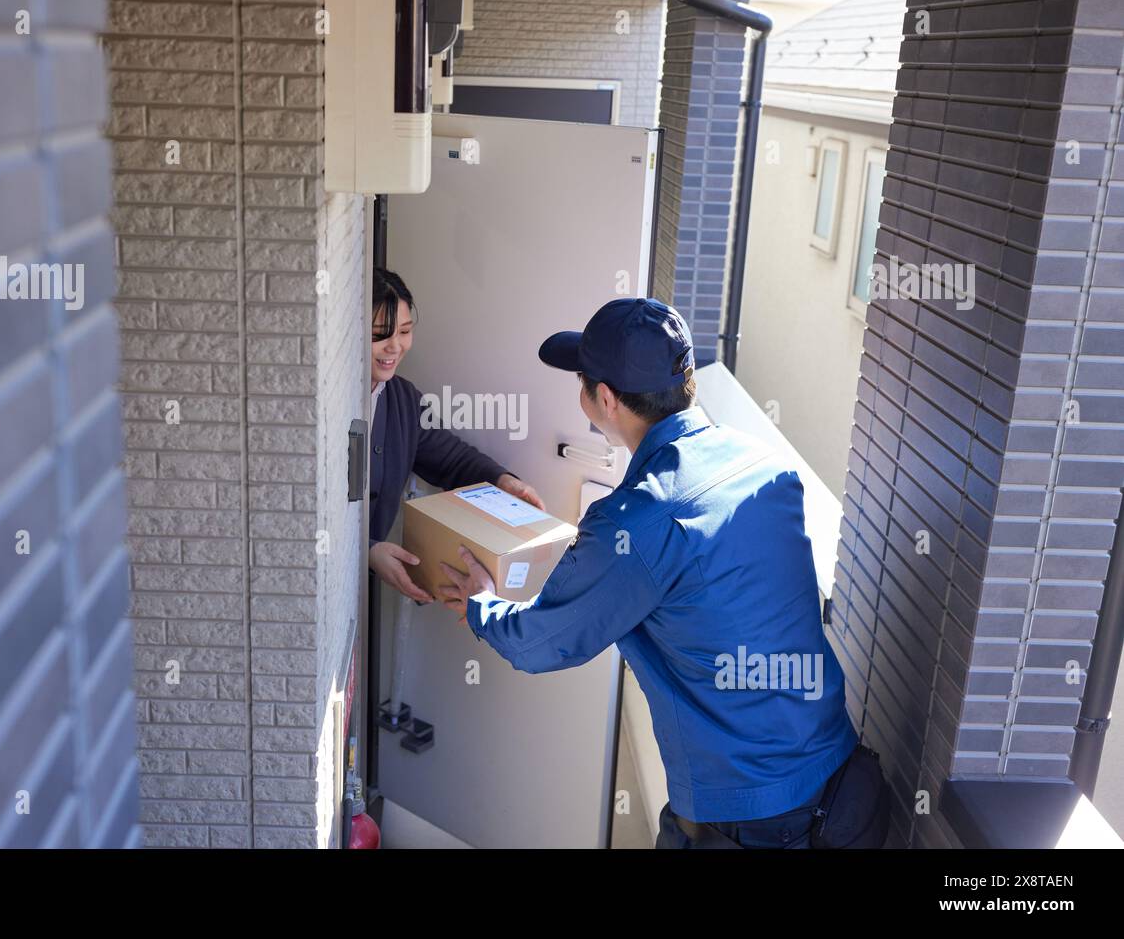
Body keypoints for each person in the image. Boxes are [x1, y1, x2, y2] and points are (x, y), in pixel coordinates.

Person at [436, 297, 864, 849]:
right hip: (835, 773)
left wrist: (481, 602)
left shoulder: (639, 520)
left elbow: (544, 643)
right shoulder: (762, 463)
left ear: (606, 400)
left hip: (745, 821)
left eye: (582, 378)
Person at [367, 267, 544, 604]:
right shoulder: (326, 408)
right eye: (380, 334)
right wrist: (369, 551)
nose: (395, 346)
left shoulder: (402, 399)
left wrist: (503, 481)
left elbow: (452, 459)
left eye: (404, 331)